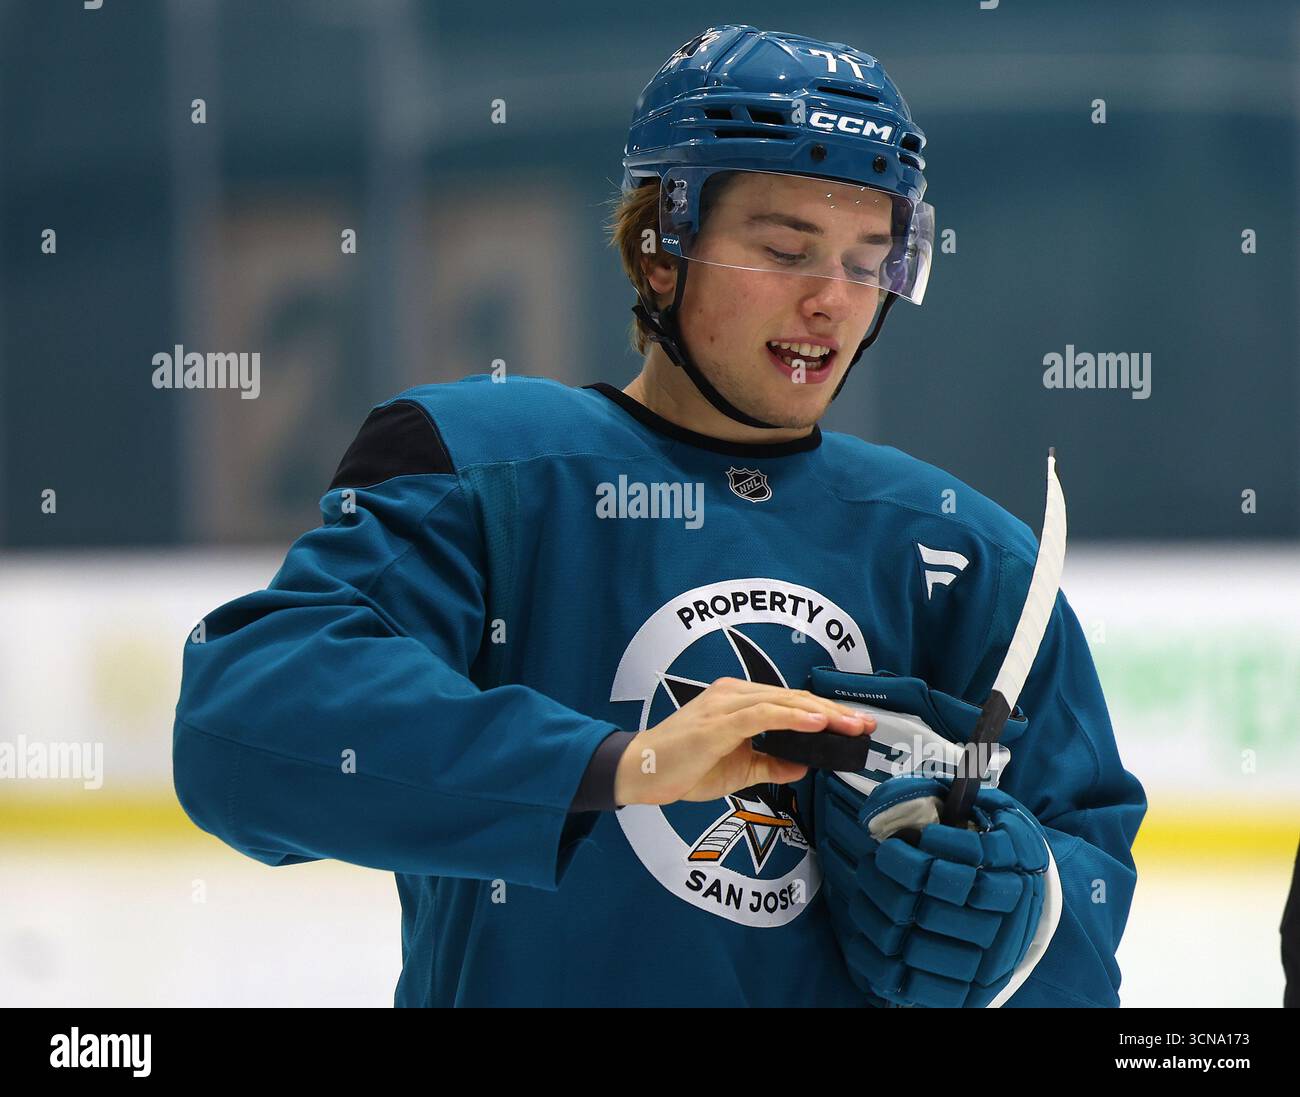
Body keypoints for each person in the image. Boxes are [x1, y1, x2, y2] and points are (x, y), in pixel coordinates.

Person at [173, 24, 1145, 1007]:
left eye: (867, 259)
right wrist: (616, 762)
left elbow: (1089, 898)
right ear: (660, 254)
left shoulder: (961, 548)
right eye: (784, 248)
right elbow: (241, 734)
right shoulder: (486, 471)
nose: (830, 301)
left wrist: (1023, 917)